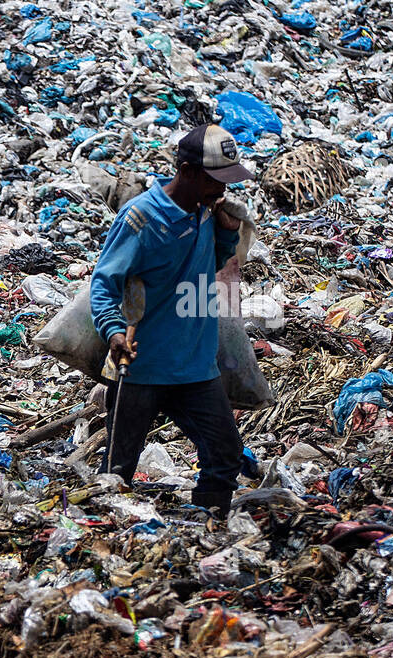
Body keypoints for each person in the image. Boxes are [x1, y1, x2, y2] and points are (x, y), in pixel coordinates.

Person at [90, 123, 254, 518]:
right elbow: (104, 283)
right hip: (143, 370)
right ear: (189, 171)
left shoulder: (205, 214)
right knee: (117, 469)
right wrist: (113, 331)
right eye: (217, 181)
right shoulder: (141, 219)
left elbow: (206, 269)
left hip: (196, 368)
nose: (224, 191)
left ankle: (207, 525)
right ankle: (110, 536)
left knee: (225, 454)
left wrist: (228, 236)